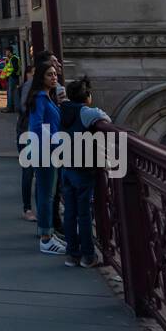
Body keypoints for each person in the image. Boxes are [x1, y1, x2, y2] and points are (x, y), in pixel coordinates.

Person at [59, 77, 110, 267]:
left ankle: (72, 254)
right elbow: (105, 118)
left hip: (66, 167)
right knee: (84, 214)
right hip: (83, 168)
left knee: (70, 212)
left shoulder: (63, 109)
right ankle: (88, 255)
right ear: (87, 95)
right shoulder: (86, 112)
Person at [27, 63, 65, 254]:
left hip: (46, 150)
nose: (54, 77)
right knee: (46, 195)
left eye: (55, 74)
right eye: (49, 75)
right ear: (41, 77)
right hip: (46, 152)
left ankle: (48, 232)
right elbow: (36, 126)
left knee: (47, 194)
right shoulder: (41, 98)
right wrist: (54, 141)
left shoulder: (46, 97)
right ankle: (46, 238)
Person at [17, 64, 36, 221]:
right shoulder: (30, 86)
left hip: (34, 132)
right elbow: (23, 107)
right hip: (28, 132)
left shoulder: (54, 87)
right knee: (29, 171)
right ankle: (27, 208)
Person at [2, 46, 21, 113]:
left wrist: (9, 74)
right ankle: (15, 107)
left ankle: (10, 107)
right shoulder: (10, 59)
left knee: (10, 93)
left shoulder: (13, 58)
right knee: (14, 93)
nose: (5, 53)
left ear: (9, 51)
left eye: (6, 51)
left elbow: (15, 69)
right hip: (12, 77)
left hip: (12, 77)